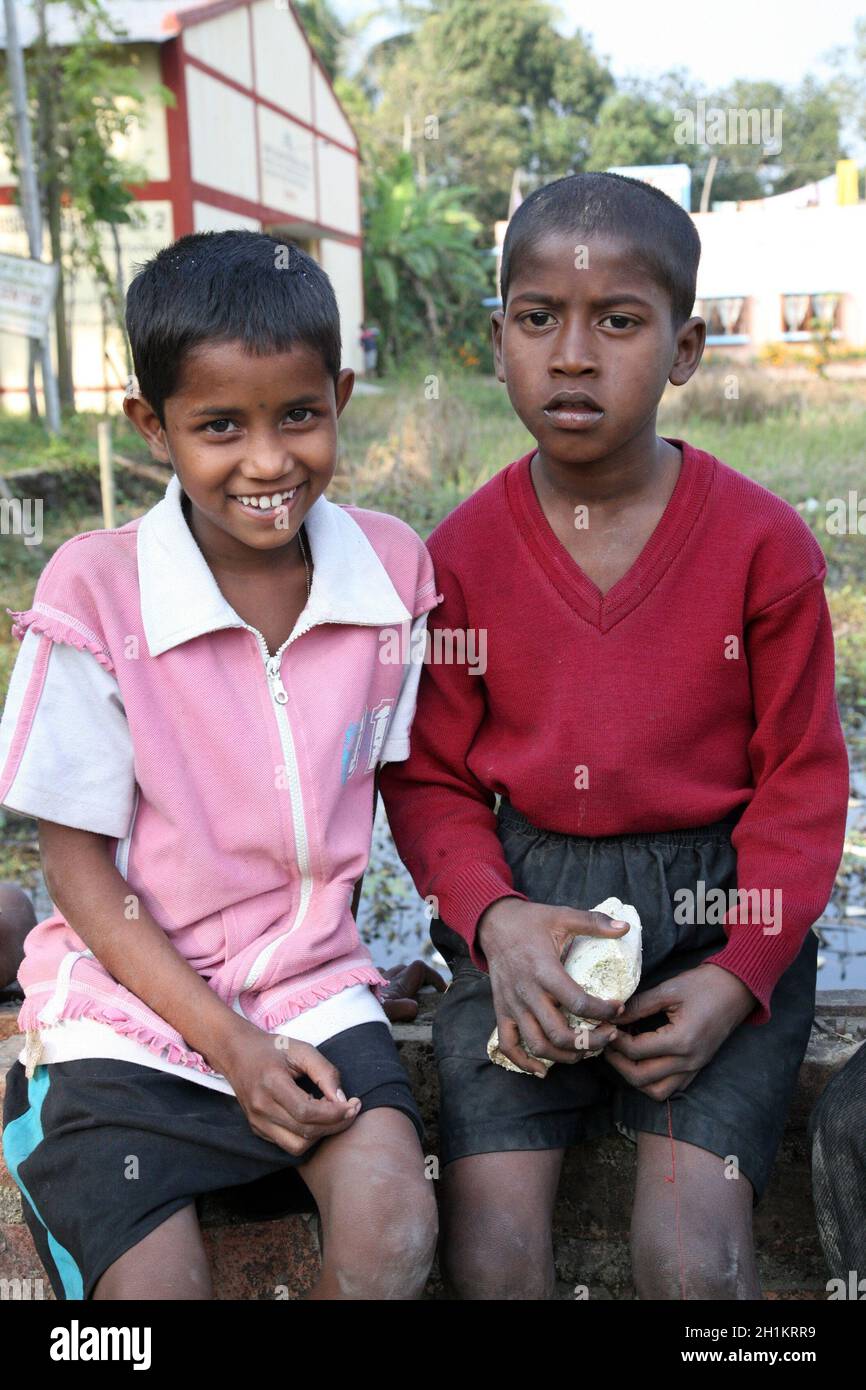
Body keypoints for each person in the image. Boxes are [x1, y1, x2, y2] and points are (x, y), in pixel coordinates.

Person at [379, 172, 850, 1300]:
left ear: (683, 349)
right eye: (538, 319)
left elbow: (800, 791)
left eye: (619, 322)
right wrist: (491, 926)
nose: (573, 355)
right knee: (491, 1250)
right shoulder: (458, 557)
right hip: (526, 929)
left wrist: (737, 979)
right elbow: (431, 781)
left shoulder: (761, 547)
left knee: (694, 1258)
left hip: (715, 918)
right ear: (497, 342)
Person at [0, 230, 441, 1302]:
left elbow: (410, 793)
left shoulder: (388, 572)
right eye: (217, 426)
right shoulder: (98, 594)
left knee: (392, 1227)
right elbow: (81, 874)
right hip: (131, 1015)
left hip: (310, 994)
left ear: (338, 395)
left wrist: (440, 941)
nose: (266, 461)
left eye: (298, 413)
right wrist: (231, 1047)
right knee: (150, 1297)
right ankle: (43, 1121)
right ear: (153, 426)